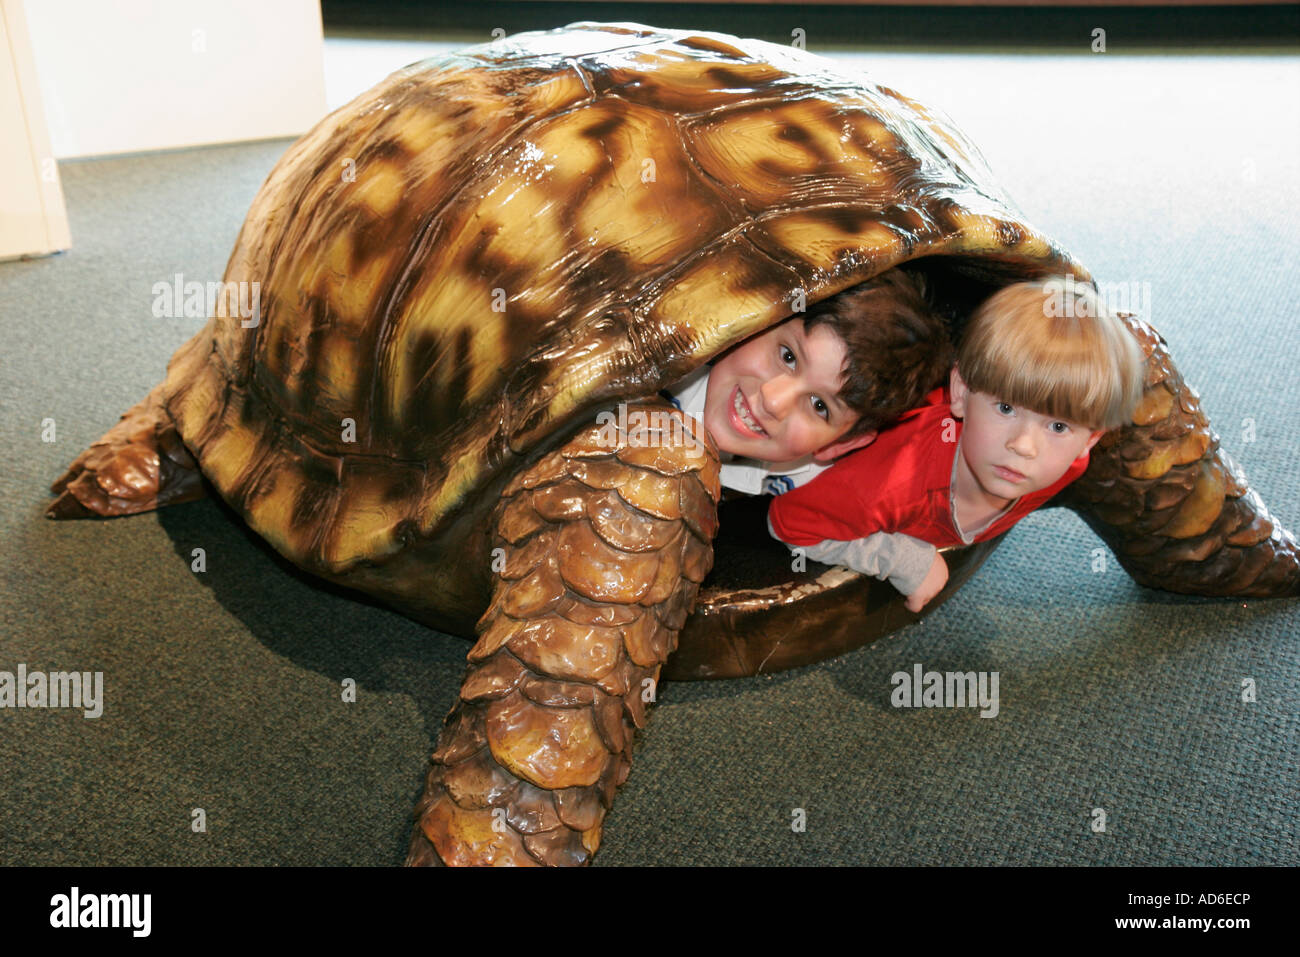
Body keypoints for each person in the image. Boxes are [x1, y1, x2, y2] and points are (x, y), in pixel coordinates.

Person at [767, 277, 1145, 612]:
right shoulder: (885, 486)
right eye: (1006, 407)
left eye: (1059, 426)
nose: (1024, 445)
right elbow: (788, 522)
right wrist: (901, 557)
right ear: (960, 392)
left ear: (1089, 441)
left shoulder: (1068, 466)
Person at [660, 267, 952, 495]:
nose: (774, 401)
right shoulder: (666, 352)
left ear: (839, 445)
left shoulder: (803, 475)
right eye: (788, 357)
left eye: (819, 405)